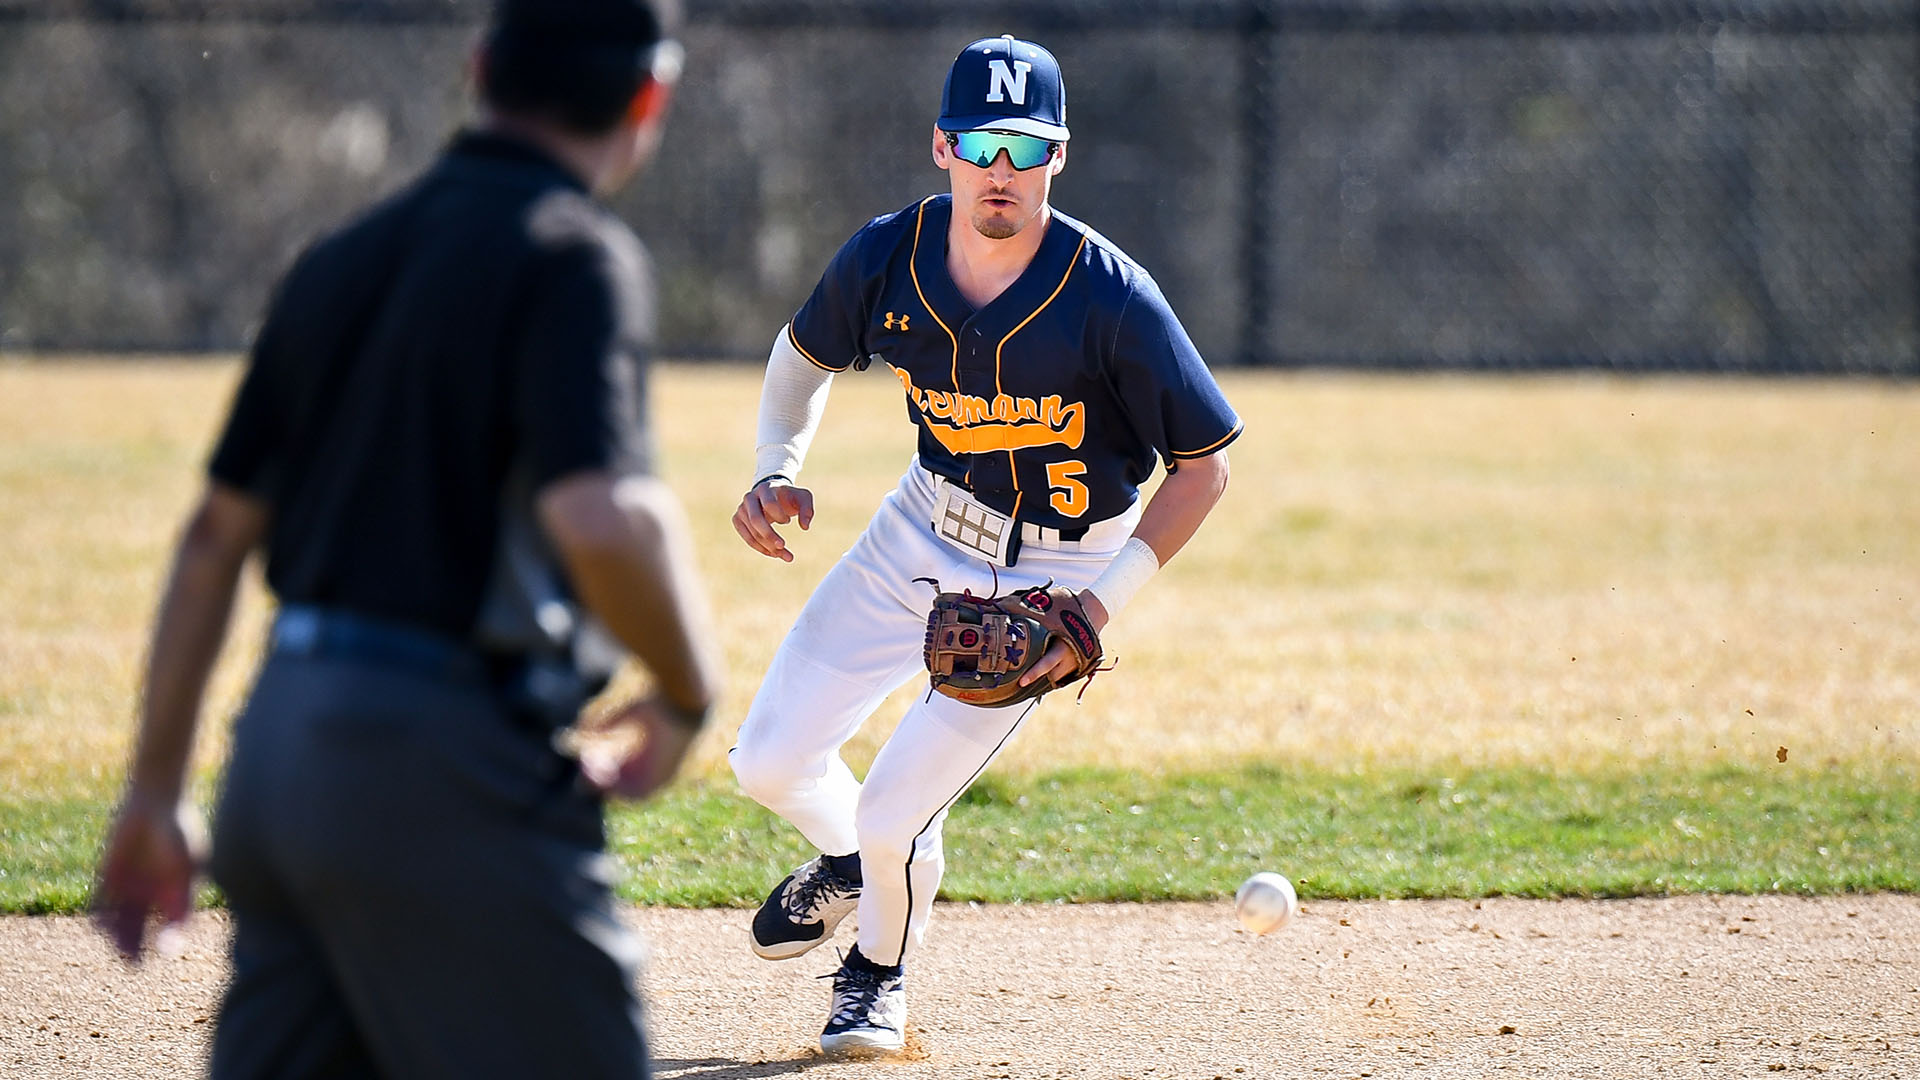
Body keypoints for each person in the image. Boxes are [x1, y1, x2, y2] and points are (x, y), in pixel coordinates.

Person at [92, 1, 722, 1076]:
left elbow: (212, 538)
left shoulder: (338, 258)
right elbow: (603, 521)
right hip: (446, 770)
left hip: (277, 760)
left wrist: (155, 792)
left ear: (478, 71)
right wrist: (687, 690)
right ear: (647, 100)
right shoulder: (572, 254)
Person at [728, 35, 1241, 1055]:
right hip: (918, 525)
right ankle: (862, 867)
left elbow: (1205, 469)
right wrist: (775, 463)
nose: (998, 170)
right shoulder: (890, 254)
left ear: (1058, 156)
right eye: (978, 142)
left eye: (1023, 145)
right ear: (941, 147)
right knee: (770, 761)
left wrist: (1094, 611)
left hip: (1053, 572)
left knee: (891, 813)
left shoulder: (1111, 296)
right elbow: (800, 360)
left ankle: (876, 977)